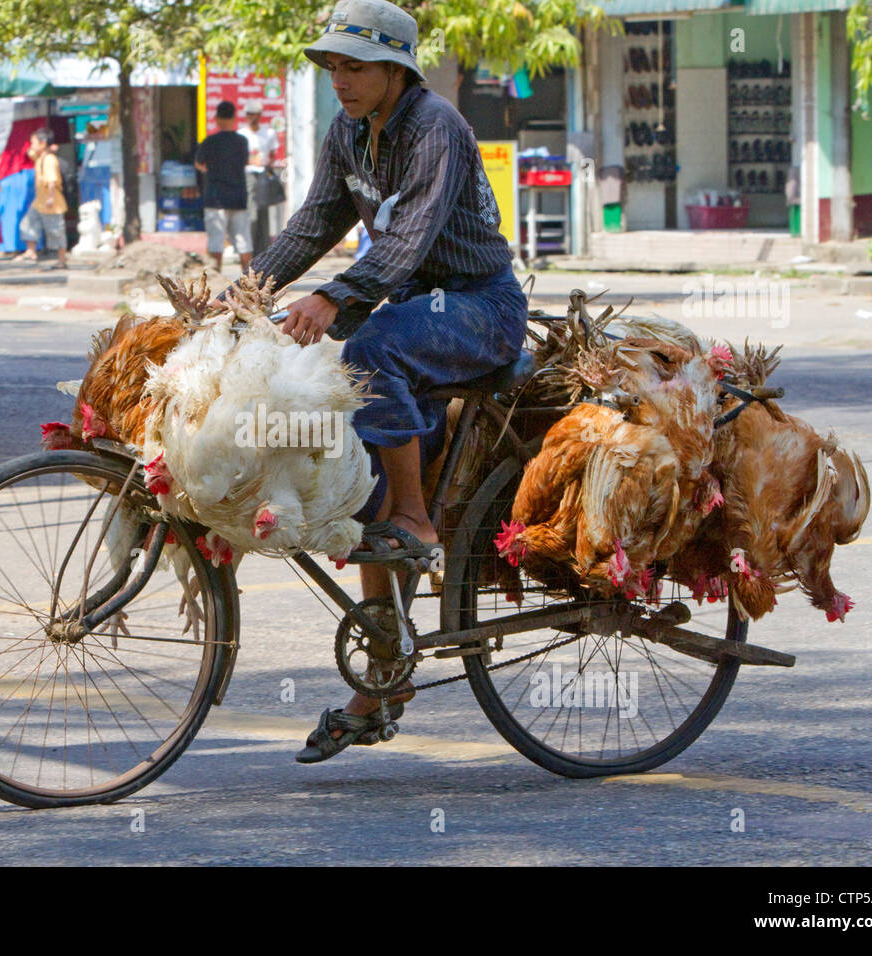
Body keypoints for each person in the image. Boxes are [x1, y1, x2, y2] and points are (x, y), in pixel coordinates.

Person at [242, 0, 529, 763]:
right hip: (409, 312)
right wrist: (249, 286)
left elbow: (407, 240)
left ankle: (420, 519)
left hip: (476, 309)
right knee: (353, 475)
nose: (341, 79)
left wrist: (334, 296)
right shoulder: (347, 131)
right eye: (333, 65)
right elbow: (315, 221)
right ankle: (385, 677)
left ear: (397, 70)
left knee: (370, 348)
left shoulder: (437, 126)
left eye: (356, 66)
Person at [194, 100, 251, 270]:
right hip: (238, 197)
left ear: (216, 118)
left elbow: (199, 164)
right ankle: (250, 287)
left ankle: (216, 283)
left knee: (216, 245)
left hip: (215, 198)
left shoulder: (209, 141)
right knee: (244, 243)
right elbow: (245, 162)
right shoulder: (242, 141)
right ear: (234, 118)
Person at [18, 128, 68, 269]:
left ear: (43, 143)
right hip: (39, 202)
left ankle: (62, 260)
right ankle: (31, 251)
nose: (31, 145)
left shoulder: (49, 160)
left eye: (34, 142)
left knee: (56, 232)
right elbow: (30, 153)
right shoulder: (40, 157)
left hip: (51, 202)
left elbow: (52, 181)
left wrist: (51, 198)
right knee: (27, 224)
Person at [238, 101, 281, 256]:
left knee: (263, 214)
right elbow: (239, 158)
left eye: (253, 114)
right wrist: (251, 161)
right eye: (248, 114)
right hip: (248, 175)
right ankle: (249, 251)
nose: (251, 117)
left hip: (263, 176)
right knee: (252, 215)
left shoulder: (268, 133)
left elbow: (272, 155)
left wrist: (266, 163)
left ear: (259, 115)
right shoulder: (242, 134)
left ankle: (263, 252)